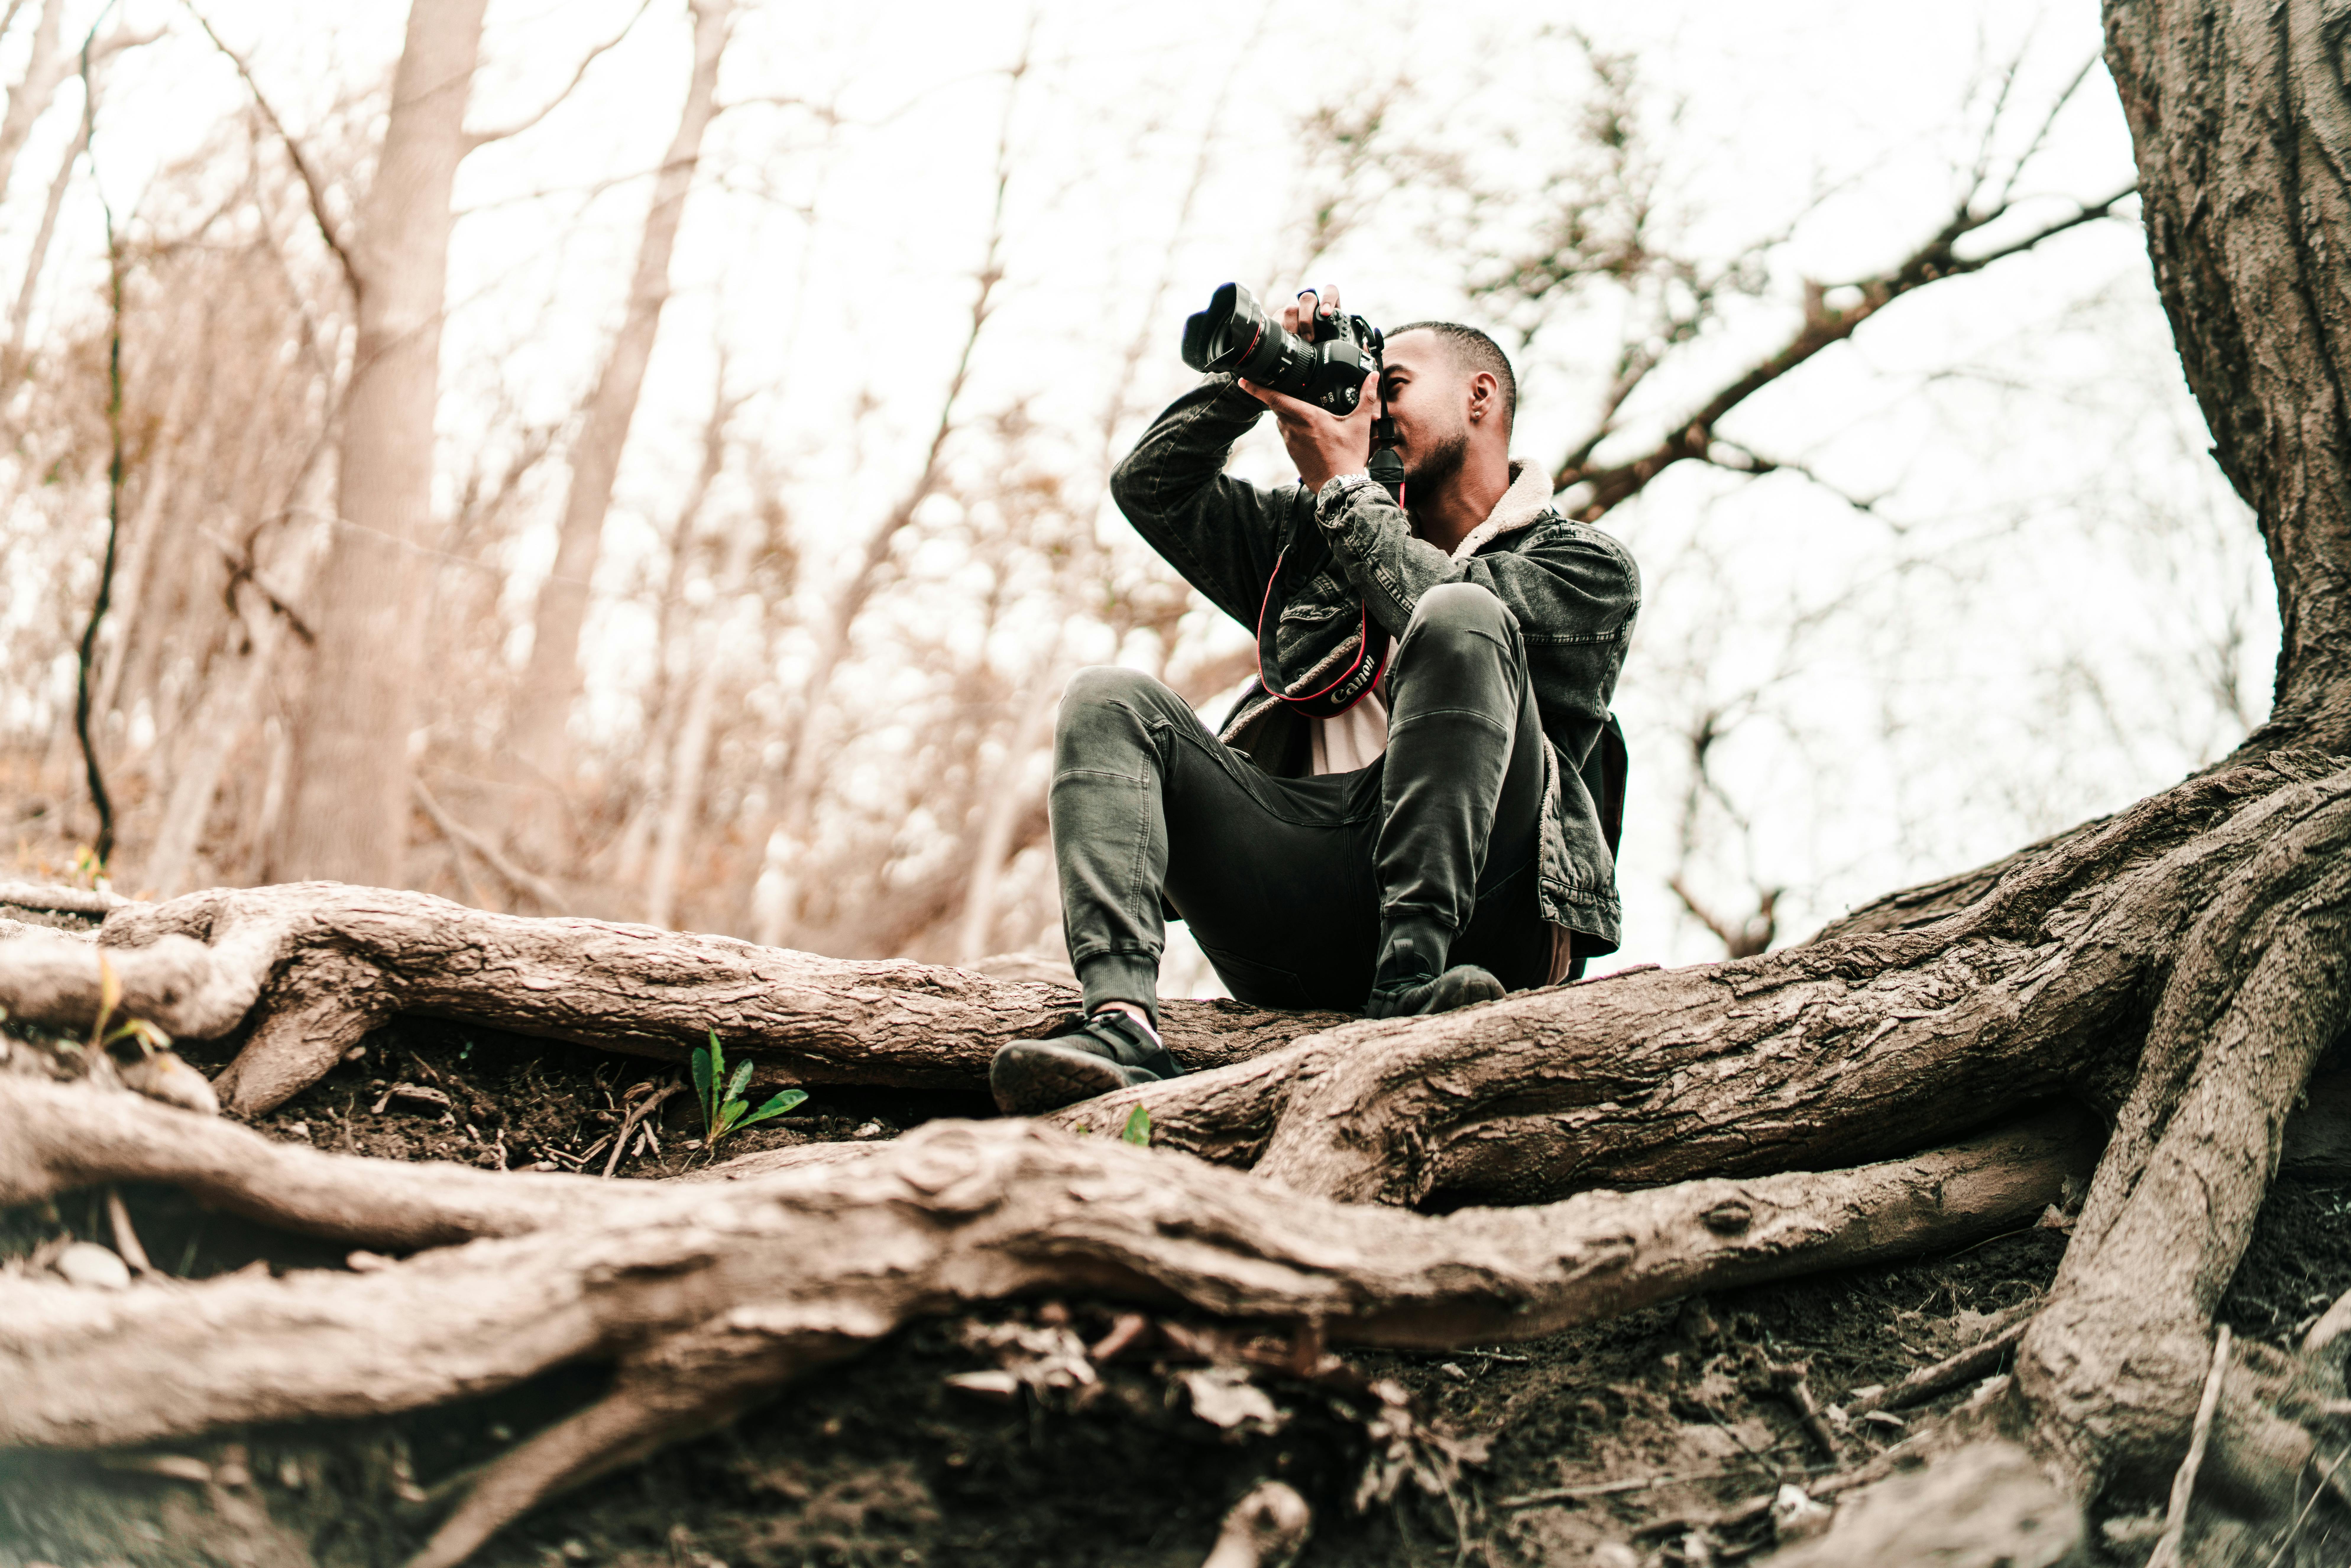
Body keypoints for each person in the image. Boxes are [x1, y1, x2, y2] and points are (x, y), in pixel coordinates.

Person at [989, 287, 1639, 1115]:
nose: (1370, 404)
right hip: (1305, 902)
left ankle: (1412, 981)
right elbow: (1151, 488)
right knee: (1110, 698)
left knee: (1461, 617)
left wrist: (1342, 487)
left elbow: (1446, 605)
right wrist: (1253, 383)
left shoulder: (1585, 568)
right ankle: (1120, 1025)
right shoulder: (1313, 543)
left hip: (1487, 918)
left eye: (1392, 384)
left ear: (1482, 397)